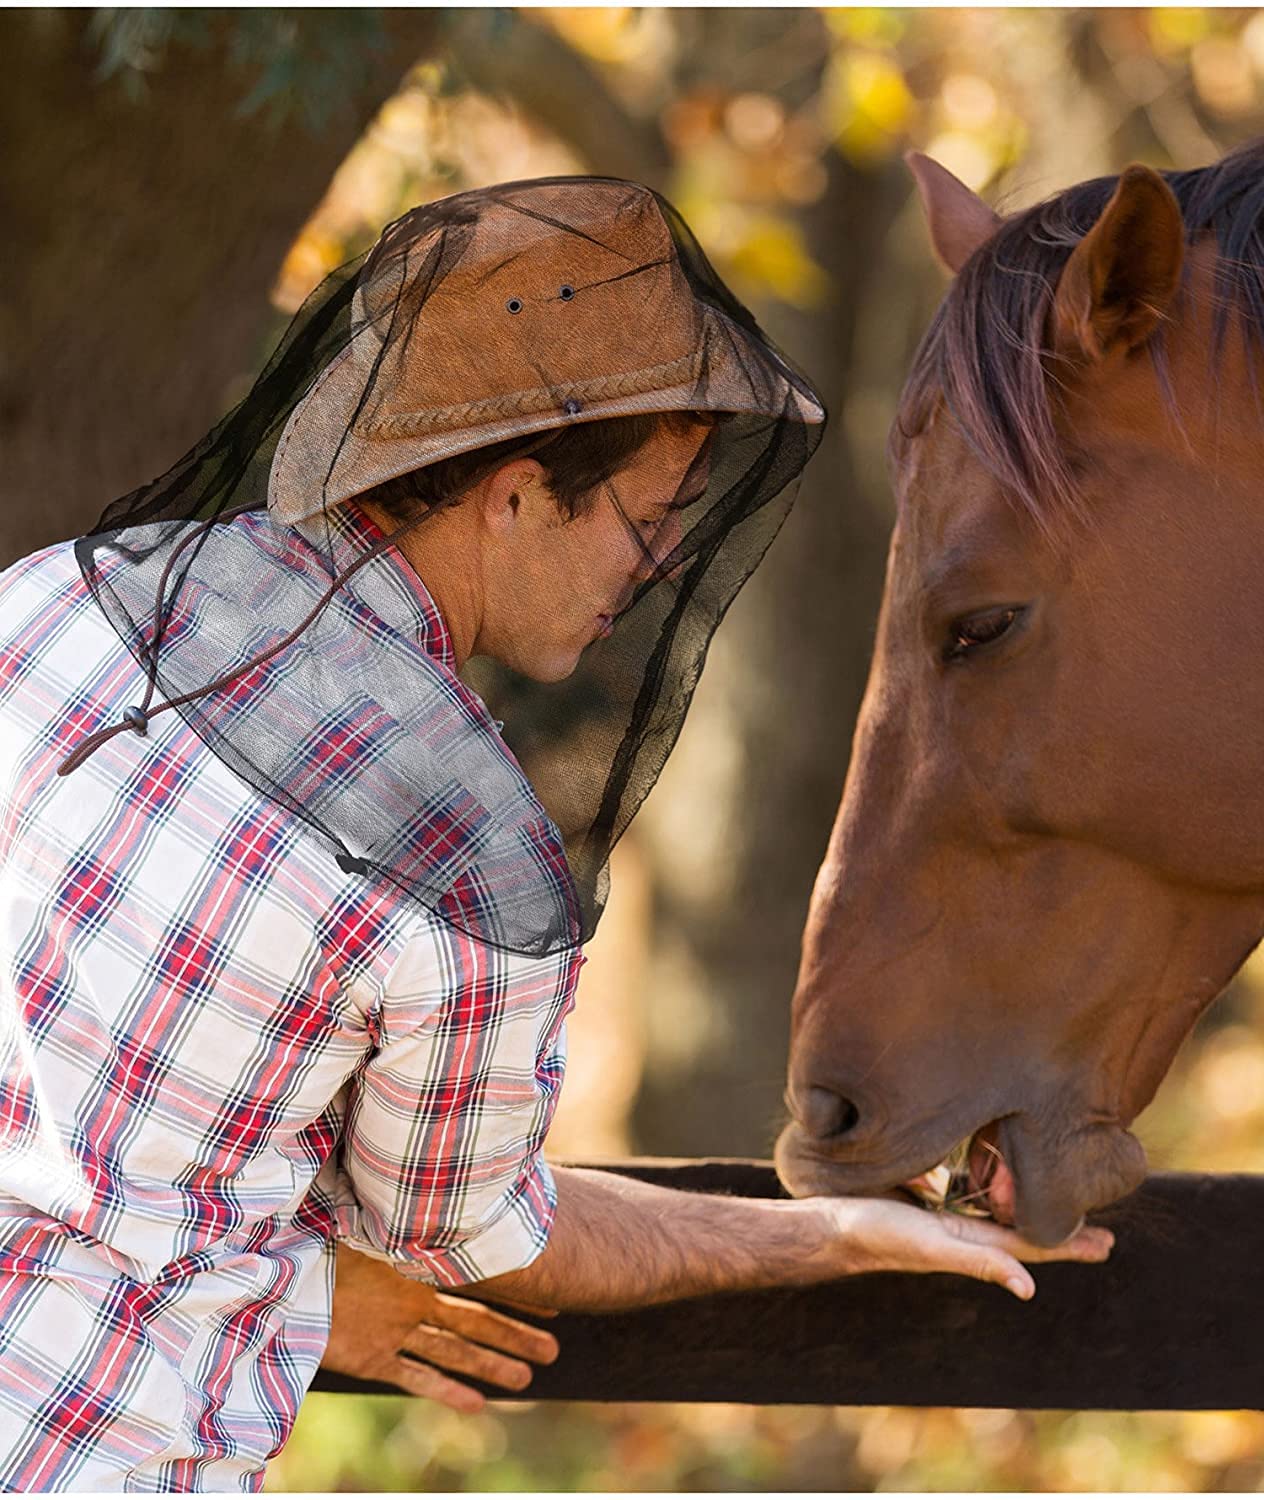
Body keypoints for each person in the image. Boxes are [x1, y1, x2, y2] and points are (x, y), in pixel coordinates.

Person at [0, 177, 1111, 1491]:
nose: (652, 568)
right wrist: (840, 1236)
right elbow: (475, 1242)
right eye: (648, 518)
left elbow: (112, 1146)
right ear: (519, 495)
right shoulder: (455, 861)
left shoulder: (61, 598)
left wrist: (286, 1275)